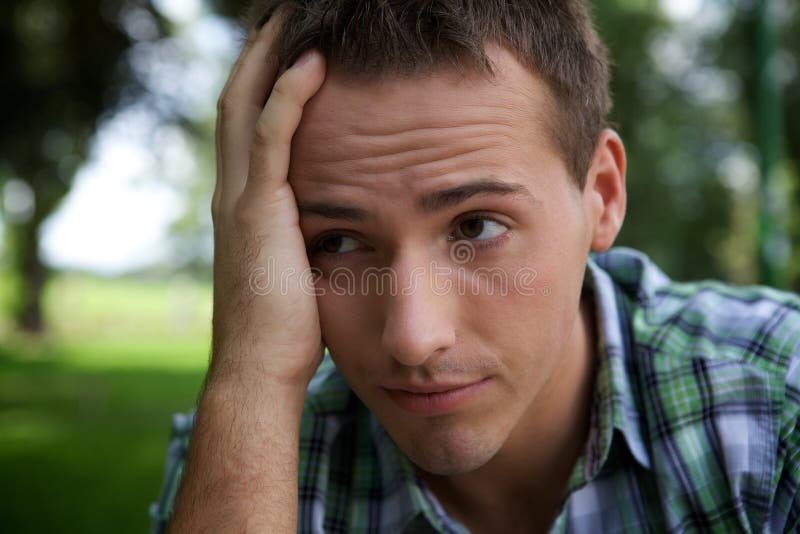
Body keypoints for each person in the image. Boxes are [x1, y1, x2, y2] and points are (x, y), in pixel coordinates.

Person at [149, 1, 800, 532]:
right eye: (338, 242)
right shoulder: (249, 450)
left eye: (476, 227)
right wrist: (252, 374)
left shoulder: (778, 403)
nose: (412, 336)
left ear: (601, 195)